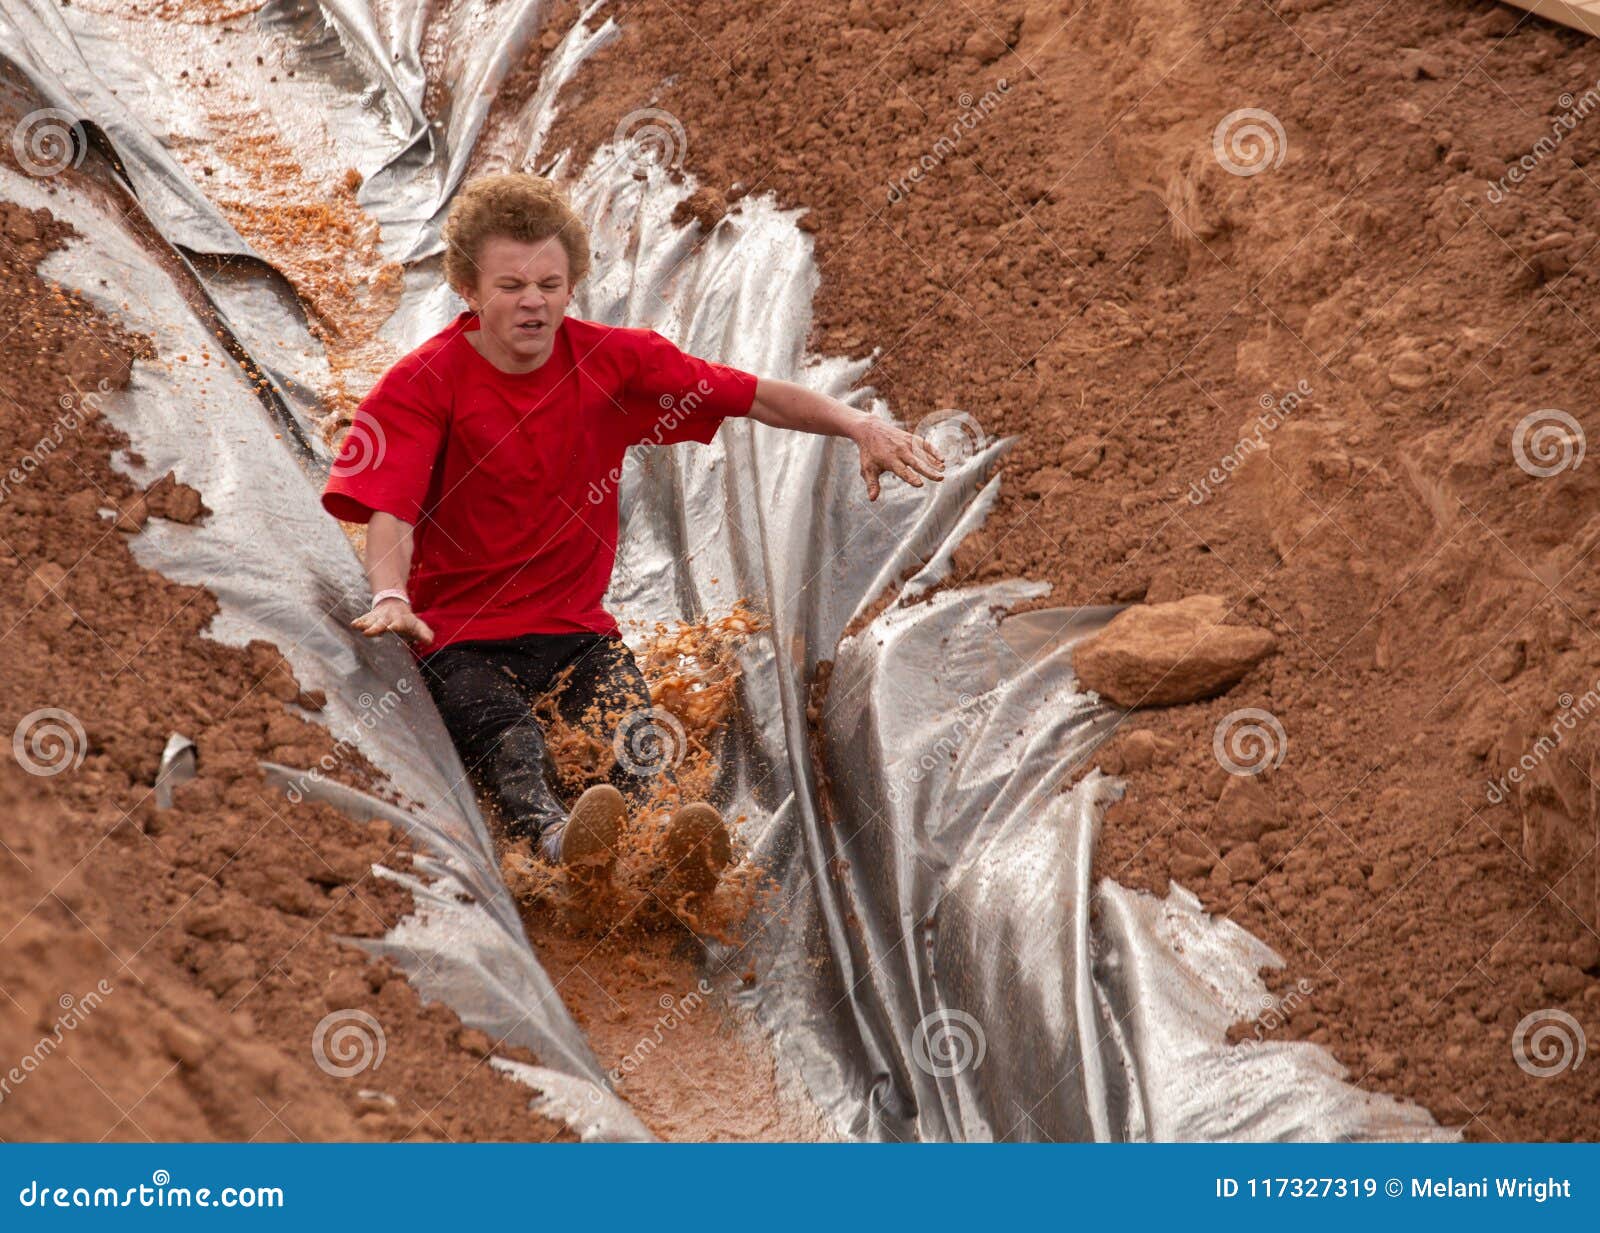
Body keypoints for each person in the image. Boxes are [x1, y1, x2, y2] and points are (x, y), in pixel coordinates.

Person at [321, 172, 943, 894]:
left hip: (575, 631)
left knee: (636, 733)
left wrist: (858, 424)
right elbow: (390, 502)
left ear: (573, 283)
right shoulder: (424, 382)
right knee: (508, 739)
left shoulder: (615, 362)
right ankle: (557, 841)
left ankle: (671, 849)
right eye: (511, 285)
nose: (533, 301)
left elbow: (754, 395)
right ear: (467, 287)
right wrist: (392, 592)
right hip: (459, 638)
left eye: (550, 283)